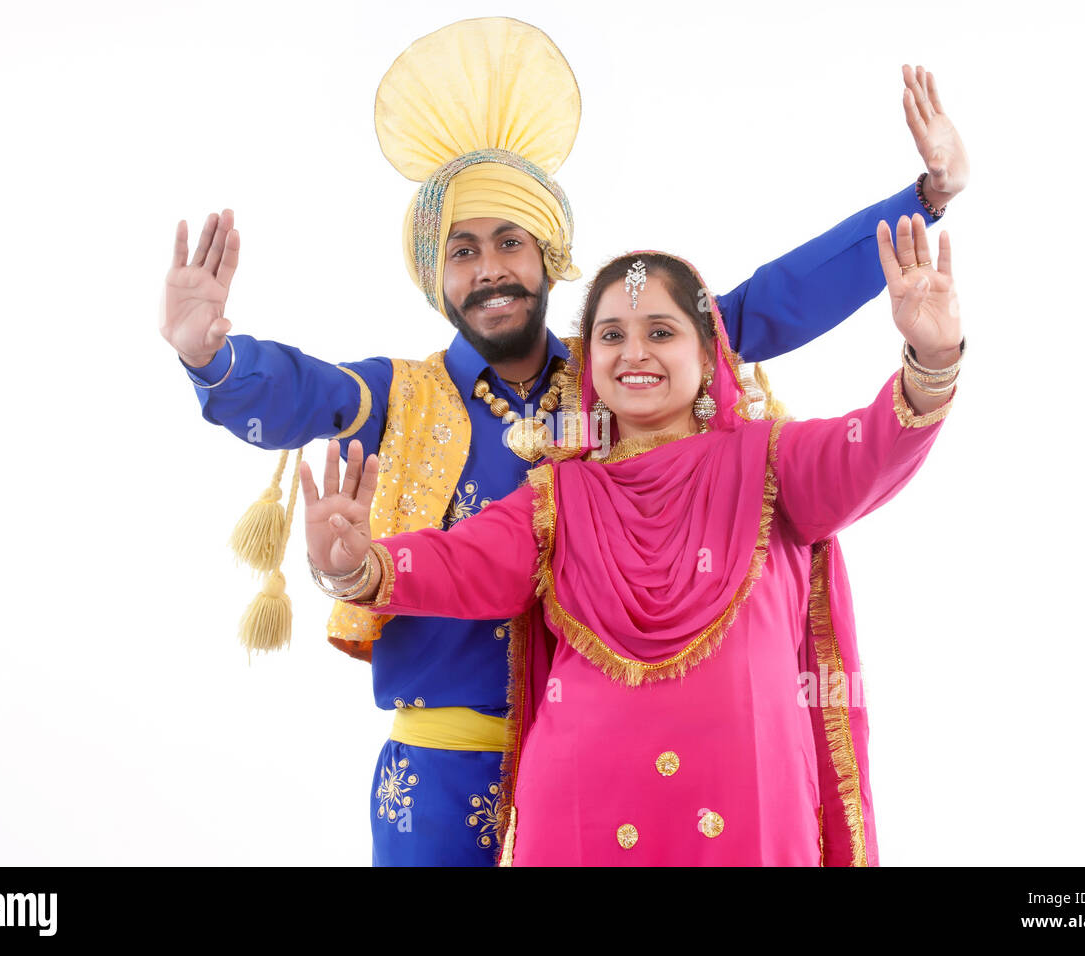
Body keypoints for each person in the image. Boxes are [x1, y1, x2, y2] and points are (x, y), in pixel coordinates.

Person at [161, 16, 970, 865]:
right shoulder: (402, 393)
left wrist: (922, 204)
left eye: (511, 242)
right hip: (447, 760)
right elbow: (306, 392)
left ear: (550, 258)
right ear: (436, 274)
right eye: (464, 250)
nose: (489, 269)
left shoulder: (622, 364)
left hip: (609, 750)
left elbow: (768, 301)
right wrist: (213, 358)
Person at [302, 212, 962, 866]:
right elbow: (461, 563)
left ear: (708, 356)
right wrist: (359, 565)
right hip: (581, 823)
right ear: (591, 362)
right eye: (612, 334)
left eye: (661, 331)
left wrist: (930, 360)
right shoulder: (557, 497)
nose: (635, 352)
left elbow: (872, 448)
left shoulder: (774, 465)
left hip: (749, 819)